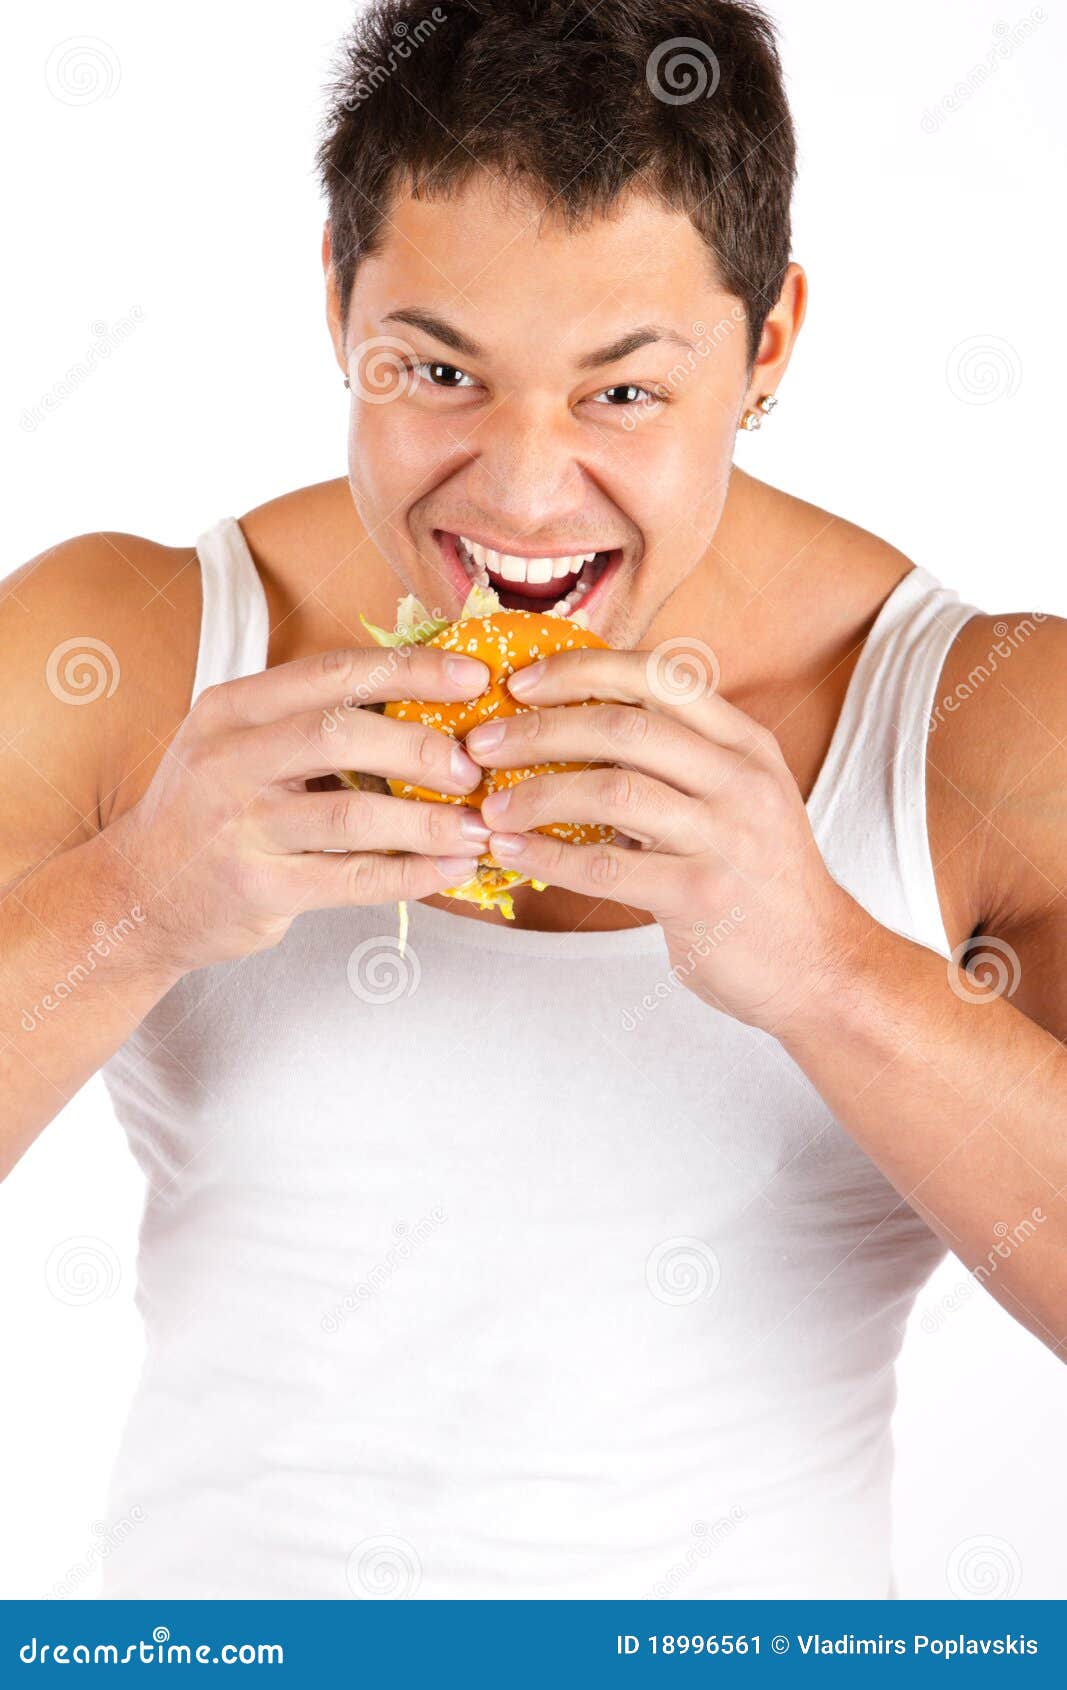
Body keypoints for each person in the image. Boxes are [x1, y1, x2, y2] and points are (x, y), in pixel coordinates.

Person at [2, 0, 1064, 1601]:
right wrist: (138, 901)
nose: (518, 488)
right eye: (437, 368)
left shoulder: (982, 725)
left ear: (768, 342)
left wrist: (831, 967)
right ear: (337, 306)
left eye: (623, 393)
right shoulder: (124, 644)